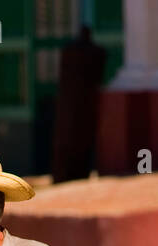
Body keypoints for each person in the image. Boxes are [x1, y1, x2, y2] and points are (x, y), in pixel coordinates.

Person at [52, 25, 107, 182]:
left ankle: (72, 173)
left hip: (74, 105)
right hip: (81, 105)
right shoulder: (92, 53)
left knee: (73, 141)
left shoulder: (72, 52)